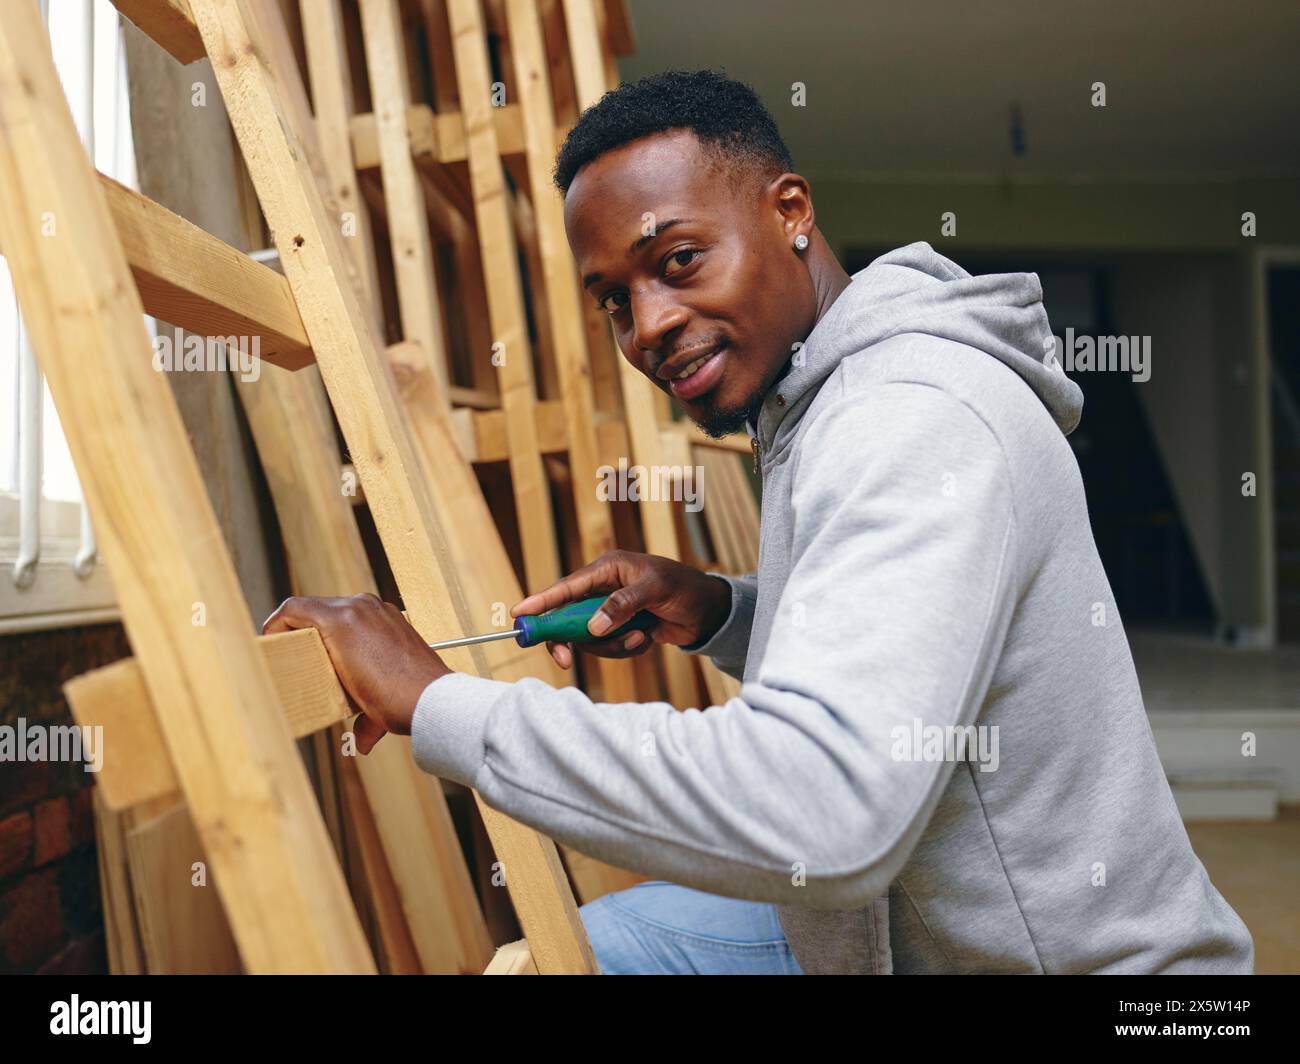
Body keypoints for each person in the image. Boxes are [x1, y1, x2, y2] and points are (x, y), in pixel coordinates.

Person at [263, 70, 1253, 975]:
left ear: (789, 211)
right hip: (906, 925)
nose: (647, 324)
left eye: (678, 259)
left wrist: (436, 703)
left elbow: (822, 809)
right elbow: (912, 637)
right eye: (616, 298)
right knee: (599, 947)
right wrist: (725, 612)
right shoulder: (819, 402)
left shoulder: (907, 417)